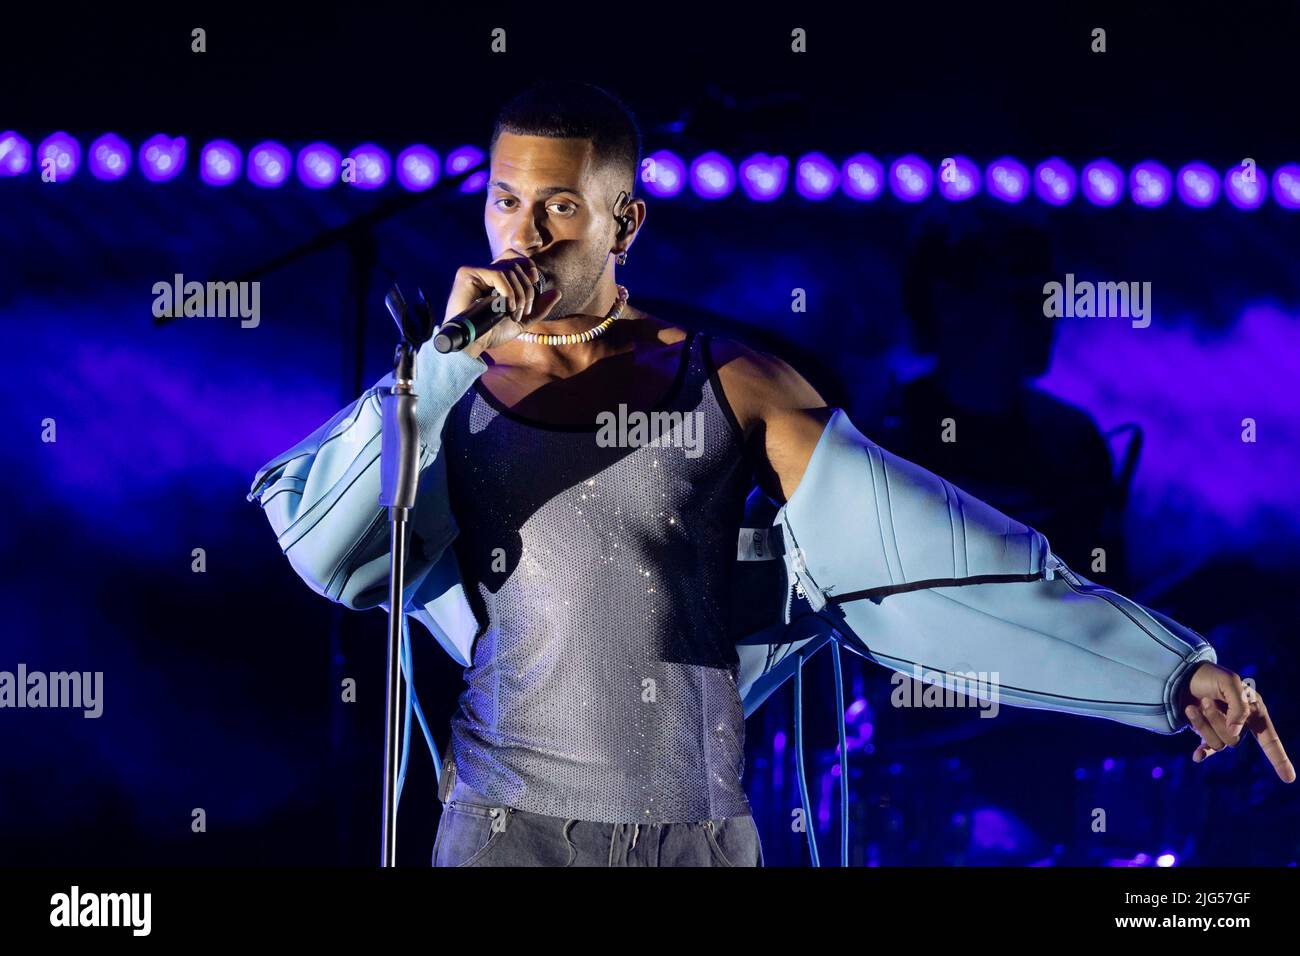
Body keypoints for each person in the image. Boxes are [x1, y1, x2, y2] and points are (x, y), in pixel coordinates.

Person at [247, 81, 1293, 868]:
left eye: (557, 207)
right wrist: (435, 363)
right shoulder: (443, 382)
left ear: (624, 221)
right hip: (500, 827)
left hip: (688, 831)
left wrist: (1168, 670)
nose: (521, 236)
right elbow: (328, 545)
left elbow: (942, 556)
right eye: (505, 201)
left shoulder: (729, 378)